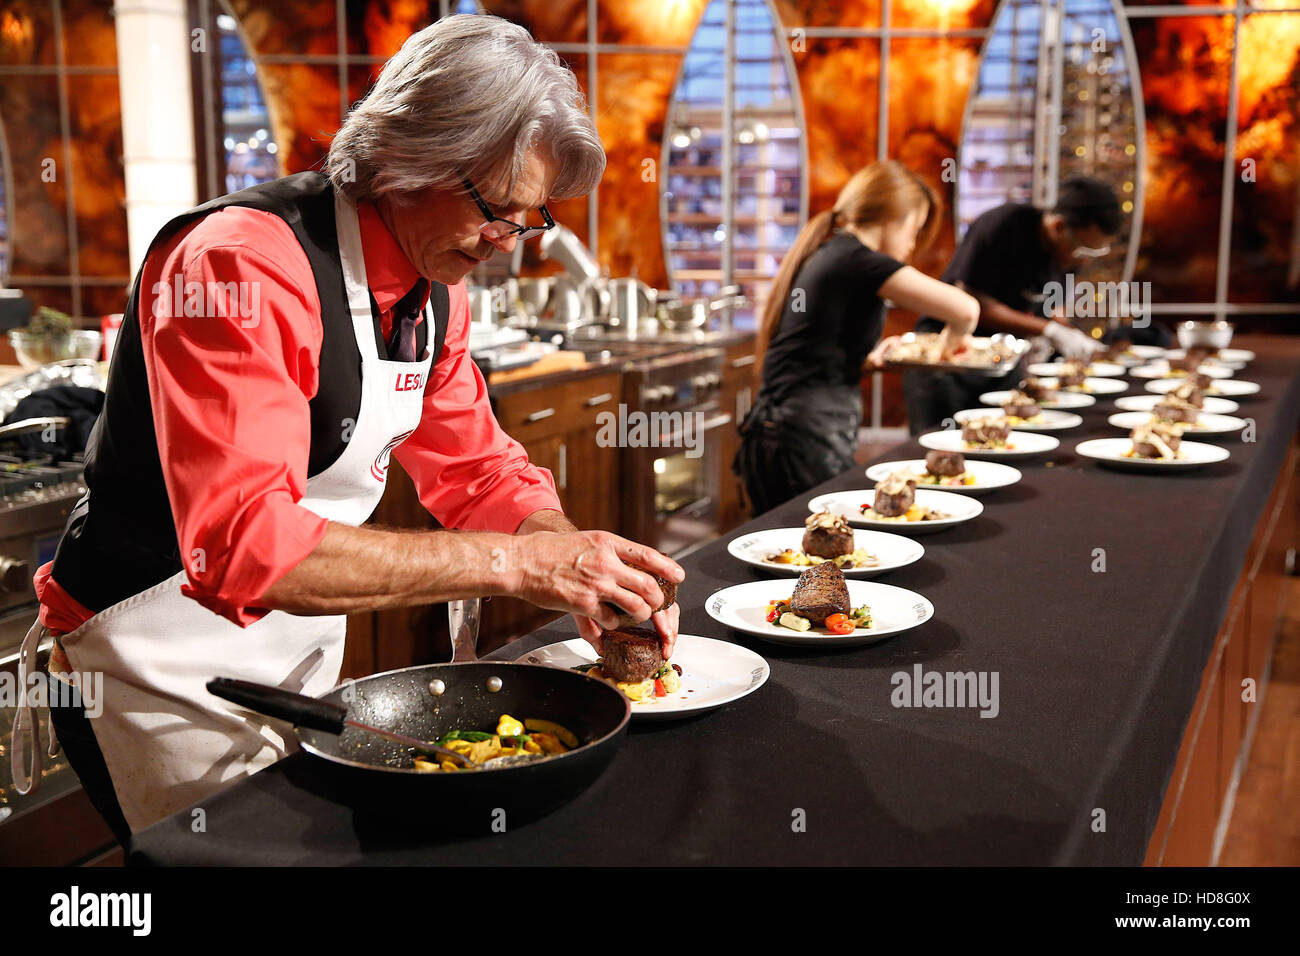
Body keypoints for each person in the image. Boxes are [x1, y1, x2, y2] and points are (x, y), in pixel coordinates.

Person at [10, 14, 682, 841]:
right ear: (410, 157)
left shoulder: (437, 285)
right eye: (499, 212)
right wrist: (522, 562)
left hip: (292, 647)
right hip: (150, 659)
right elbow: (243, 542)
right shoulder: (239, 265)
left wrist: (578, 557)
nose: (510, 242)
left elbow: (478, 473)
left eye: (528, 218)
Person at [735, 161, 979, 515]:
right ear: (895, 217)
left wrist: (869, 360)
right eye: (915, 229)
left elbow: (812, 350)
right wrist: (948, 348)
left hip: (786, 431)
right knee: (817, 555)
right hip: (801, 438)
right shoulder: (859, 260)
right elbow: (965, 310)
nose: (911, 245)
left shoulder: (834, 253)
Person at [902, 176, 1123, 434]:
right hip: (946, 362)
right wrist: (1047, 330)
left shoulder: (1066, 260)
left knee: (1002, 443)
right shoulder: (1004, 225)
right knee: (940, 443)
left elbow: (1049, 309)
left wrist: (1068, 336)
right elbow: (972, 303)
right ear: (1059, 226)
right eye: (1083, 249)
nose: (1085, 261)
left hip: (1002, 364)